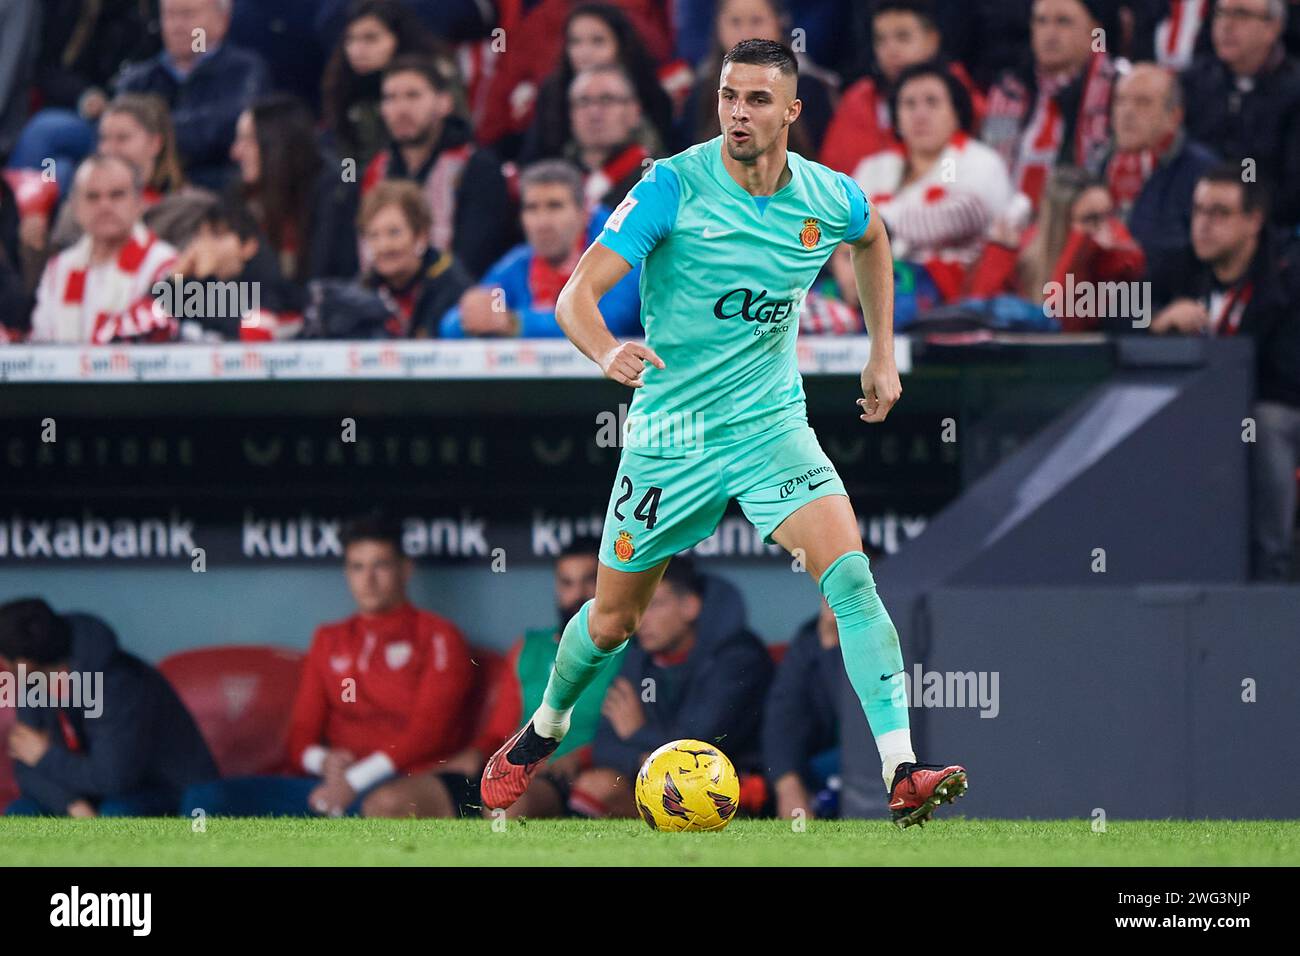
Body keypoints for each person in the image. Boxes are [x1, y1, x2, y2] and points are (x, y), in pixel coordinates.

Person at [480, 39, 967, 829]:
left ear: (793, 111)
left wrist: (883, 353)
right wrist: (607, 349)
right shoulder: (670, 186)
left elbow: (873, 238)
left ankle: (902, 770)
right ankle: (545, 729)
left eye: (758, 100)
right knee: (612, 622)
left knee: (851, 579)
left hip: (770, 424)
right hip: (670, 433)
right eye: (729, 97)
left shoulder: (826, 196)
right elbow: (577, 295)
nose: (739, 113)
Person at [181, 514, 482, 818]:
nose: (369, 579)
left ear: (405, 569)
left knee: (381, 806)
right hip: (332, 783)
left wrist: (355, 780)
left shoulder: (438, 636)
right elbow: (300, 735)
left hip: (400, 783)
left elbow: (429, 735)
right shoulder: (330, 639)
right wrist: (323, 762)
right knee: (205, 797)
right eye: (357, 567)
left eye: (381, 565)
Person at [1147, 166, 1300, 580]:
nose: (1204, 225)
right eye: (1197, 211)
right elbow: (1110, 313)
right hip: (1197, 414)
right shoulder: (1178, 267)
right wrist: (1157, 321)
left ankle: (1272, 568)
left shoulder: (1287, 278)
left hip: (1265, 410)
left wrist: (1222, 358)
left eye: (1219, 213)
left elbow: (1287, 380)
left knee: (1265, 425)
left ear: (1253, 222)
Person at [575, 557, 773, 818]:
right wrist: (641, 759)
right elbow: (604, 745)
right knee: (597, 785)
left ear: (690, 606)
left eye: (654, 604)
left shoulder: (736, 658)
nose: (640, 619)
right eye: (637, 606)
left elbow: (700, 748)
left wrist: (638, 732)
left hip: (734, 793)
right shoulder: (638, 658)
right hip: (662, 783)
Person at [0, 598, 217, 817]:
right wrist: (71, 803)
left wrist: (44, 756)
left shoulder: (118, 682)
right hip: (87, 789)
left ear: (23, 663)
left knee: (116, 813)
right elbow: (25, 767)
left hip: (165, 788)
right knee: (22, 814)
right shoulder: (32, 681)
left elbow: (113, 778)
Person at [471, 537, 622, 818]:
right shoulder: (528, 648)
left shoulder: (627, 650)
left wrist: (581, 757)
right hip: (522, 770)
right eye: (566, 583)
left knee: (511, 808)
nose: (578, 593)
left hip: (585, 774)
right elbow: (499, 730)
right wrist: (477, 757)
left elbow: (629, 734)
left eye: (589, 580)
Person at [852, 61, 1014, 302]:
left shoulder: (979, 160)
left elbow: (959, 215)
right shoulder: (873, 167)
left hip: (950, 296)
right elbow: (844, 227)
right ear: (895, 118)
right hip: (872, 283)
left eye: (932, 102)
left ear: (957, 113)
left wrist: (881, 222)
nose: (920, 114)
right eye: (909, 104)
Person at [440, 160, 641, 338]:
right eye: (532, 208)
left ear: (584, 213)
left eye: (555, 206)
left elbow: (610, 321)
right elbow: (452, 324)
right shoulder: (519, 263)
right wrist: (476, 316)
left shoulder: (620, 252)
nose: (542, 222)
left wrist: (514, 323)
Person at [361, 56, 512, 279]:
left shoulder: (478, 167)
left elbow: (474, 258)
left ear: (444, 103)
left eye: (413, 95)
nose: (401, 109)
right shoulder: (376, 170)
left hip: (453, 300)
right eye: (390, 98)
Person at [113, 0, 273, 191]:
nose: (177, 26)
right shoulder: (138, 80)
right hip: (145, 189)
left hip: (217, 189)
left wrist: (151, 132)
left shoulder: (243, 71)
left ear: (222, 19)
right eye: (170, 15)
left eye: (188, 15)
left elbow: (223, 132)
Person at [820, 0, 986, 176]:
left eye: (903, 37)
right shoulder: (858, 99)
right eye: (881, 40)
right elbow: (832, 177)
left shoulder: (961, 96)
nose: (890, 50)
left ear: (932, 39)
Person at [982, 0, 1120, 209]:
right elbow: (988, 163)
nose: (1050, 33)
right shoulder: (1008, 90)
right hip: (1003, 221)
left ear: (1094, 31)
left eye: (1063, 22)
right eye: (1041, 21)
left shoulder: (1117, 91)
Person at [29, 154, 178, 344]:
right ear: (75, 208)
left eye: (117, 195)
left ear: (140, 202)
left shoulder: (165, 264)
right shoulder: (58, 269)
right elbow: (41, 342)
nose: (104, 205)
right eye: (92, 197)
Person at [1181, 0, 1300, 228]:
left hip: (1266, 230)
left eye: (1241, 14)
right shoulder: (1194, 82)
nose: (1226, 24)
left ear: (1273, 27)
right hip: (1192, 221)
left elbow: (1292, 188)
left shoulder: (1294, 93)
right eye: (1221, 13)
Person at [518, 3, 676, 165]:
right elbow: (535, 159)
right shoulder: (553, 92)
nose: (585, 52)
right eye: (575, 42)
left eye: (598, 41)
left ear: (620, 44)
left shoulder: (649, 91)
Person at [230, 94, 359, 283]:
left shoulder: (334, 195)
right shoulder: (241, 197)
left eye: (248, 140)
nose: (235, 152)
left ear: (278, 144)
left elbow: (317, 287)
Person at [686, 0, 839, 158]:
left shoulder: (809, 89)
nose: (745, 34)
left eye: (756, 21)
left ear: (779, 23)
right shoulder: (702, 91)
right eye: (735, 22)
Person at [1103, 62, 1218, 262]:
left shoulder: (1202, 173)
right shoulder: (1101, 161)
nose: (1127, 112)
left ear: (1174, 116)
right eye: (1120, 101)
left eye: (1143, 102)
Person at [320, 0, 450, 170]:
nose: (357, 50)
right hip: (369, 189)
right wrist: (350, 190)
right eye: (350, 39)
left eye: (371, 38)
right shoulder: (344, 86)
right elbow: (348, 161)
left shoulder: (432, 77)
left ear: (398, 38)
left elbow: (456, 137)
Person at [356, 179, 473, 338]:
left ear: (421, 236)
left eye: (394, 232)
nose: (383, 246)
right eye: (373, 235)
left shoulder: (453, 286)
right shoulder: (363, 290)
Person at [764, 599, 845, 819]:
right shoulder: (811, 637)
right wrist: (787, 783)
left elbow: (861, 728)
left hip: (882, 775)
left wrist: (833, 649)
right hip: (826, 778)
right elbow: (784, 715)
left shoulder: (901, 630)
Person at [566, 65, 654, 211]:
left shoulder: (655, 174)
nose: (594, 113)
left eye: (607, 100)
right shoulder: (558, 176)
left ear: (634, 111)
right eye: (583, 101)